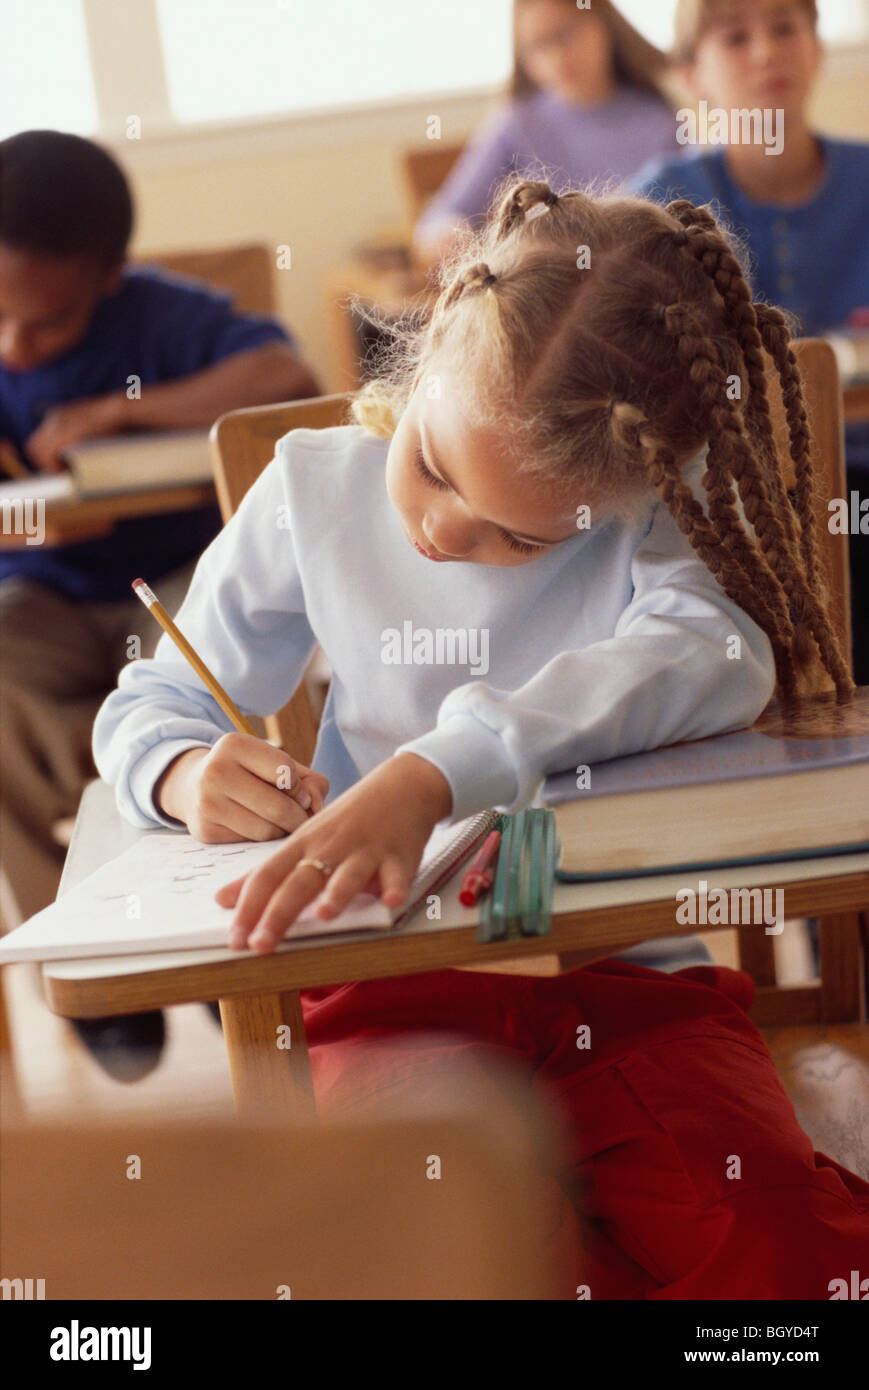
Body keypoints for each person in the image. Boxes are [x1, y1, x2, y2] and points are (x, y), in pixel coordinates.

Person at [93, 177, 868, 1295]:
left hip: (629, 980)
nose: (445, 532)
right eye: (433, 465)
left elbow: (715, 654)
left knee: (778, 1253)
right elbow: (148, 700)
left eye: (519, 537)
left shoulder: (658, 509)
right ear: (429, 343)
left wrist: (442, 765)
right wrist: (176, 770)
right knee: (459, 1255)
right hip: (387, 984)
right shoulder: (311, 492)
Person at [0, 129, 320, 1079]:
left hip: (174, 583)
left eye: (44, 328)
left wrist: (120, 413)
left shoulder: (164, 319)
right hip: (40, 597)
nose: (16, 345)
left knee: (210, 694)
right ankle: (85, 948)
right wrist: (27, 531)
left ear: (106, 279)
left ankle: (233, 956)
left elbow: (283, 378)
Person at [630, 0, 869, 684]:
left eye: (785, 28)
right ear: (691, 75)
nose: (765, 52)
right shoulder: (661, 201)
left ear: (817, 50)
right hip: (740, 494)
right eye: (734, 38)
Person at [414, 0, 679, 263]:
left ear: (604, 24)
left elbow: (683, 224)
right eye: (538, 45)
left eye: (566, 34)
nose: (556, 56)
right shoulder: (518, 124)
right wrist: (450, 237)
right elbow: (437, 224)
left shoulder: (662, 121)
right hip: (547, 288)